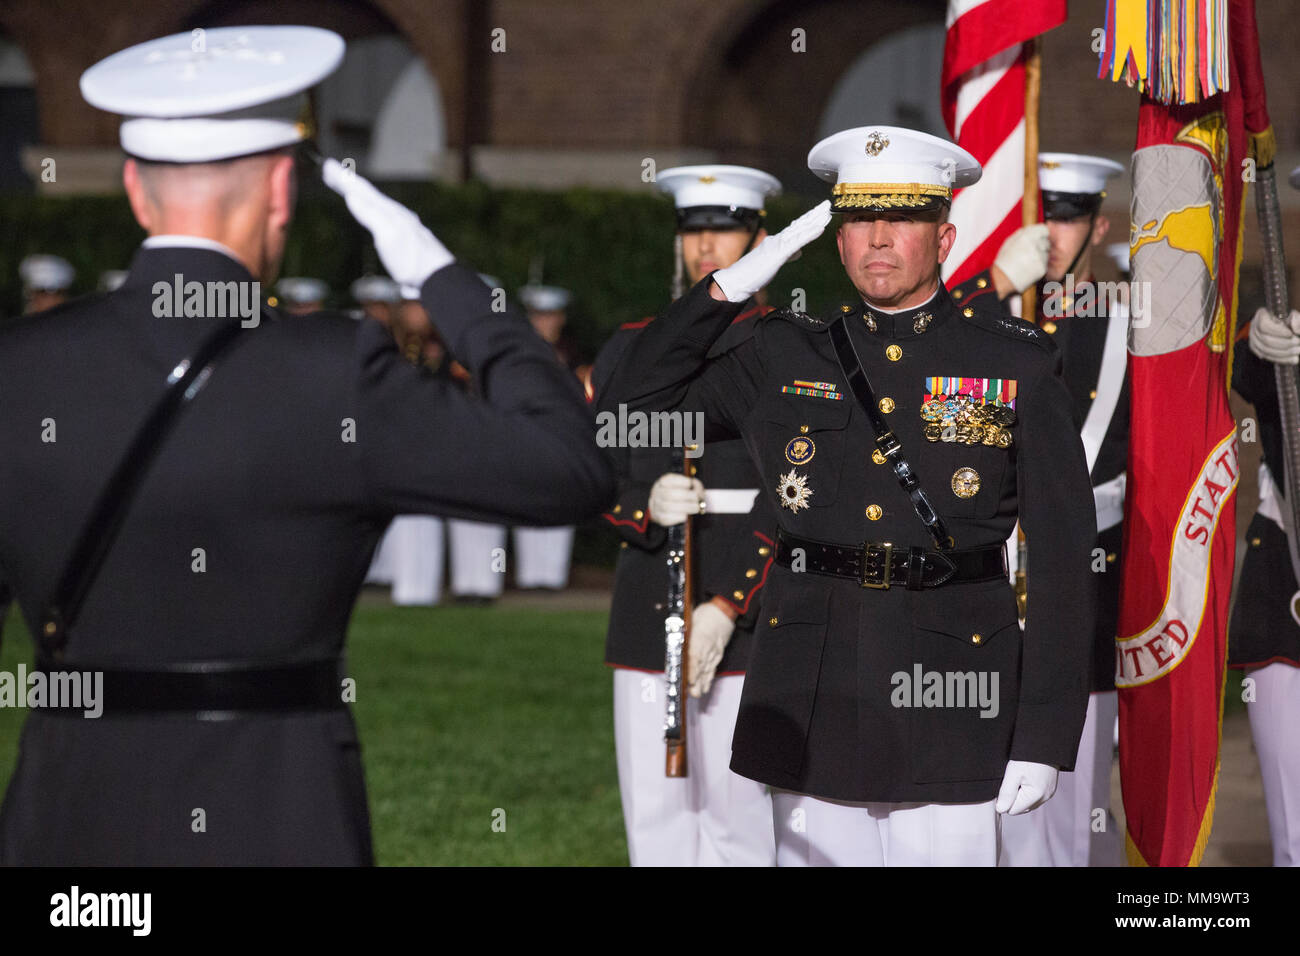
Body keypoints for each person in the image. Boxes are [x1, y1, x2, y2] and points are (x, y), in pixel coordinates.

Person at [0, 25, 613, 865]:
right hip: (276, 813)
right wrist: (445, 280)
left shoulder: (19, 369)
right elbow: (570, 467)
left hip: (68, 818)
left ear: (138, 192)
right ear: (283, 189)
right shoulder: (337, 372)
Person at [597, 126, 1098, 866]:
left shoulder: (1012, 364)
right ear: (836, 240)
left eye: (902, 218)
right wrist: (730, 285)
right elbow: (627, 400)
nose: (879, 238)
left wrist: (1045, 736)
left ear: (946, 235)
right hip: (814, 687)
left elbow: (1061, 562)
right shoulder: (781, 352)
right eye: (859, 219)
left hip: (952, 687)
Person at [592, 165, 782, 866]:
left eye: (724, 228)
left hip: (753, 604)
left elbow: (800, 488)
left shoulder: (786, 345)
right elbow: (595, 469)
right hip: (648, 602)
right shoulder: (630, 344)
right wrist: (642, 506)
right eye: (694, 229)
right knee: (658, 817)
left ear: (759, 237)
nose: (707, 245)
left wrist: (730, 603)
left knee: (742, 824)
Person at [950, 152, 1128, 866]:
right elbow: (921, 359)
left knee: (1073, 811)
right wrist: (995, 288)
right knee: (976, 811)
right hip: (985, 592)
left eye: (1067, 216)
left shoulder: (1126, 326)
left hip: (1086, 585)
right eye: (1039, 216)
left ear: (1097, 225)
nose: (1051, 233)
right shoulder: (983, 324)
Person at [1228, 164, 1300, 866]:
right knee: (1294, 839)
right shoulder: (1287, 335)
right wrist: (1258, 340)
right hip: (1289, 588)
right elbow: (1244, 370)